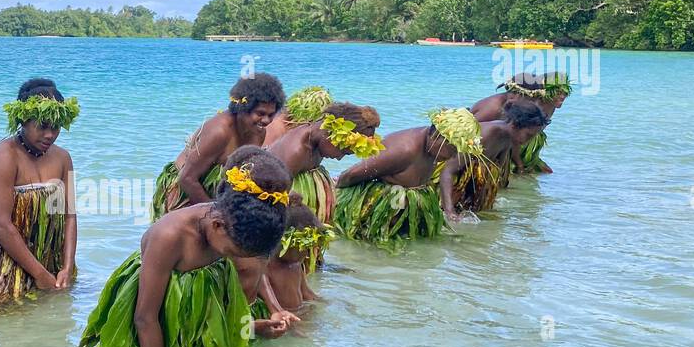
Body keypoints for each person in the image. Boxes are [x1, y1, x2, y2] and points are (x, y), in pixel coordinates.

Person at [80, 146, 291, 347]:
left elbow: (223, 307)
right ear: (218, 225)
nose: (237, 258)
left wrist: (253, 327)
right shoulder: (171, 237)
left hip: (194, 324)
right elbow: (145, 318)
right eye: (235, 252)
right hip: (154, 326)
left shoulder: (233, 230)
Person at [0, 78, 79, 305]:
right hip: (6, 265)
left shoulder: (63, 158)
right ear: (22, 121)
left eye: (55, 127)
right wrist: (40, 275)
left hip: (50, 262)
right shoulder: (4, 157)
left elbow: (70, 215)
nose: (50, 135)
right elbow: (1, 224)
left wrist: (66, 267)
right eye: (42, 126)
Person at [333, 108, 485, 247]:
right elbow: (354, 174)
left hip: (407, 210)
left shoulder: (433, 148)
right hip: (385, 214)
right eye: (452, 149)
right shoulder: (404, 150)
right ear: (437, 135)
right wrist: (336, 190)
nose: (453, 156)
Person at [267, 89, 382, 264]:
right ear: (331, 134)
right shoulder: (296, 152)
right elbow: (272, 203)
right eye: (343, 150)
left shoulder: (317, 138)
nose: (340, 157)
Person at [149, 72, 285, 218]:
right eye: (260, 113)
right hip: (185, 189)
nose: (266, 121)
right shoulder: (219, 132)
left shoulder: (258, 132)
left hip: (214, 193)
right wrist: (218, 214)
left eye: (271, 115)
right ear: (242, 109)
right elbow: (186, 178)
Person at [441, 100, 548, 216]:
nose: (529, 140)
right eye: (528, 135)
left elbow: (495, 175)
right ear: (514, 125)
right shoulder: (485, 135)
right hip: (448, 186)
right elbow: (447, 171)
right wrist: (449, 211)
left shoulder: (508, 139)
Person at [473, 72, 571, 173]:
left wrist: (519, 165)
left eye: (565, 93)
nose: (534, 102)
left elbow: (512, 137)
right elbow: (470, 134)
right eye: (531, 99)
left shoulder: (524, 110)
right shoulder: (494, 108)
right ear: (520, 94)